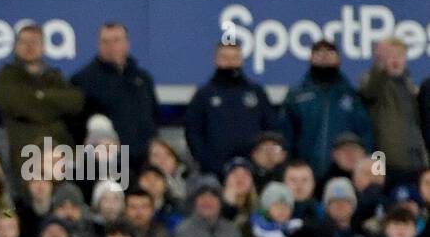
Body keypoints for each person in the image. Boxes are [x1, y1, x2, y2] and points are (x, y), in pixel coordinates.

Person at [0, 24, 85, 180]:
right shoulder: (6, 76)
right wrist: (51, 107)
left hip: (61, 151)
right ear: (15, 47)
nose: (29, 46)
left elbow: (75, 101)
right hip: (25, 155)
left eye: (34, 42)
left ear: (44, 47)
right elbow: (13, 103)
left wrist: (40, 97)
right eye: (24, 42)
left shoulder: (54, 76)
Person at [280, 39, 373, 180]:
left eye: (330, 52)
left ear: (339, 58)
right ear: (310, 58)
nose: (324, 56)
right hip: (305, 175)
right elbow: (286, 137)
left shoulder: (351, 96)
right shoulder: (296, 96)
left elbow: (366, 135)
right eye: (318, 52)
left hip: (344, 175)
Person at [70, 23, 158, 165]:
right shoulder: (83, 80)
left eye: (116, 40)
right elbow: (75, 125)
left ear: (127, 44)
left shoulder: (142, 78)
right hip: (106, 163)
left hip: (143, 160)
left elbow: (154, 115)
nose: (111, 46)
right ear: (98, 45)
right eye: (105, 42)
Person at [184, 42, 275, 175]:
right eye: (225, 58)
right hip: (214, 172)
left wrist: (261, 159)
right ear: (216, 60)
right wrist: (208, 163)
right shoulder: (204, 95)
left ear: (241, 60)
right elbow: (193, 132)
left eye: (234, 58)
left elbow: (271, 128)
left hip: (254, 171)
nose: (230, 63)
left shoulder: (256, 92)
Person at [359, 38, 430, 186]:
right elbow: (368, 92)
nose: (395, 60)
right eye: (390, 56)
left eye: (399, 55)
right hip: (388, 164)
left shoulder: (410, 86)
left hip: (416, 163)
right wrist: (380, 68)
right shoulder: (375, 83)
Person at [173, 178, 243, 237]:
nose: (207, 200)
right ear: (194, 202)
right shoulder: (183, 231)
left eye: (213, 195)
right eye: (202, 195)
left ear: (220, 203)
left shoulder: (232, 231)